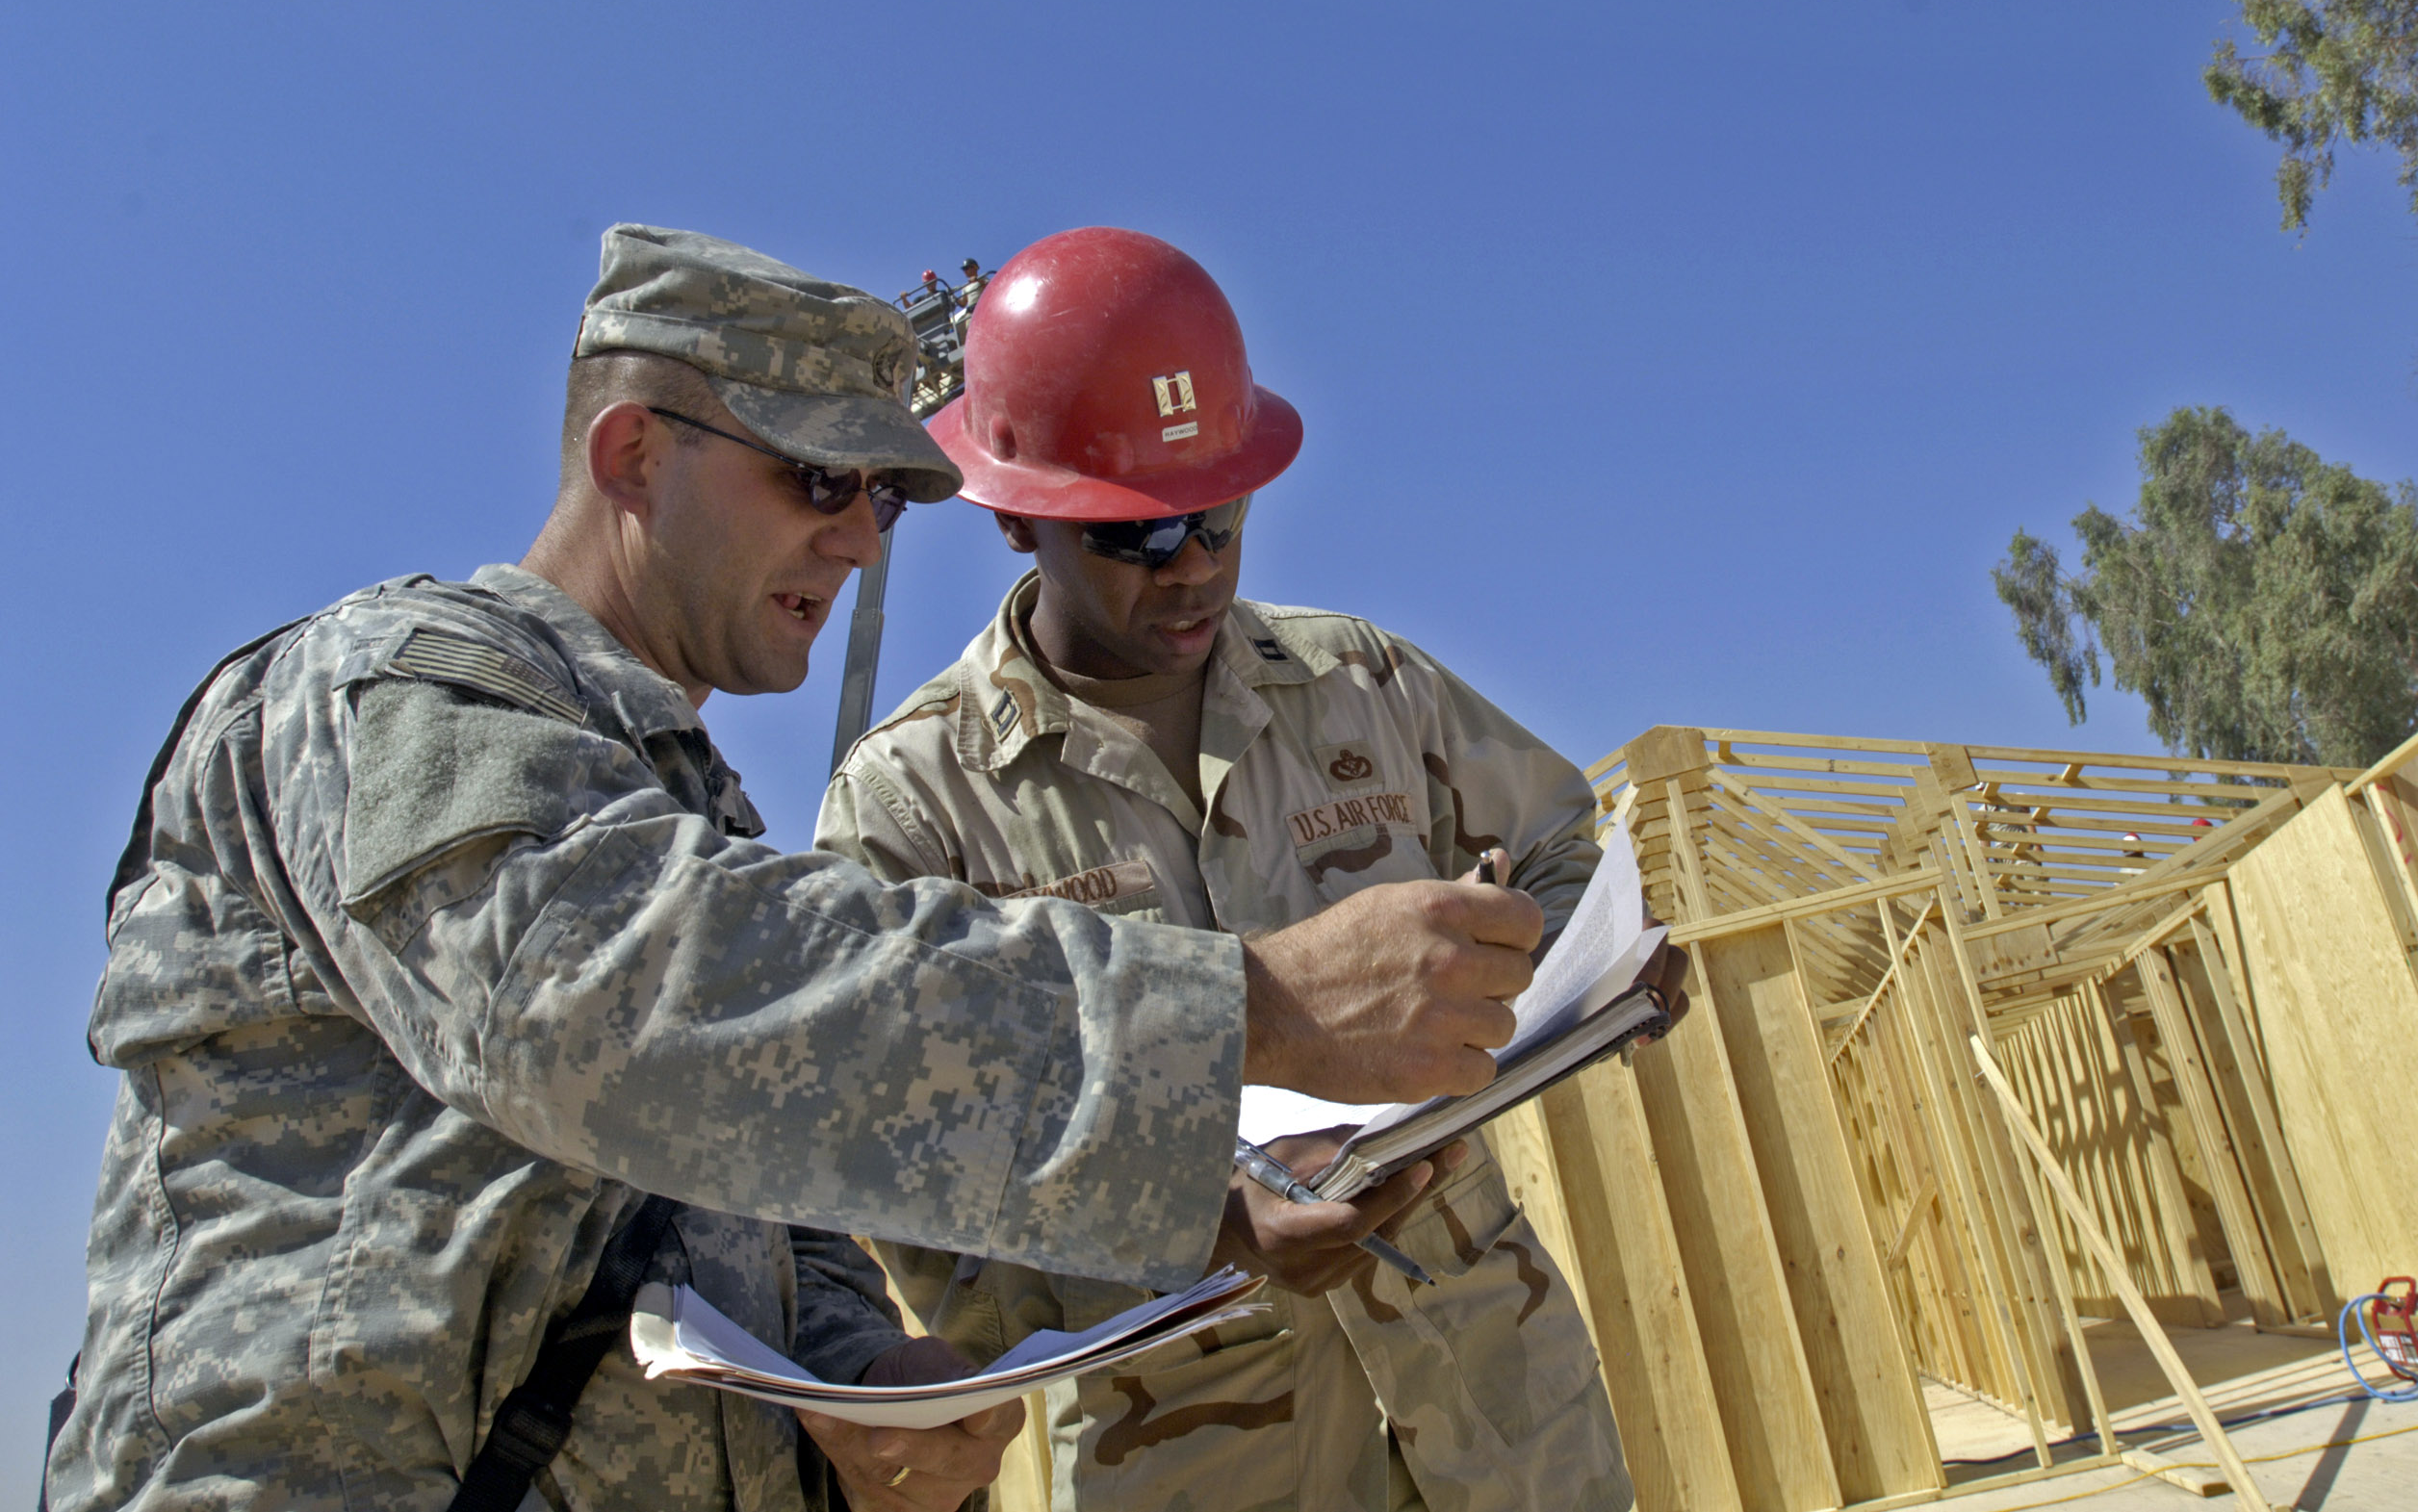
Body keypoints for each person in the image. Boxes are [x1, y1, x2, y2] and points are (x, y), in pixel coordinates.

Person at [47, 225, 1549, 1512]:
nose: (858, 540)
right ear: (634, 452)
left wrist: (858, 1370)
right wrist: (1251, 1006)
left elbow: (748, 1196)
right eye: (819, 479)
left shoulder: (690, 820)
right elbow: (601, 1003)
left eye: (887, 499)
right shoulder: (387, 689)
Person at [818, 227, 1677, 1512]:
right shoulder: (913, 806)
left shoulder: (1365, 685)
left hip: (1503, 1411)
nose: (1198, 566)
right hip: (1198, 1454)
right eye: (1140, 536)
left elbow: (1561, 850)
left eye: (1220, 515)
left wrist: (1583, 984)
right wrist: (1199, 1222)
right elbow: (895, 1149)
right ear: (1013, 515)